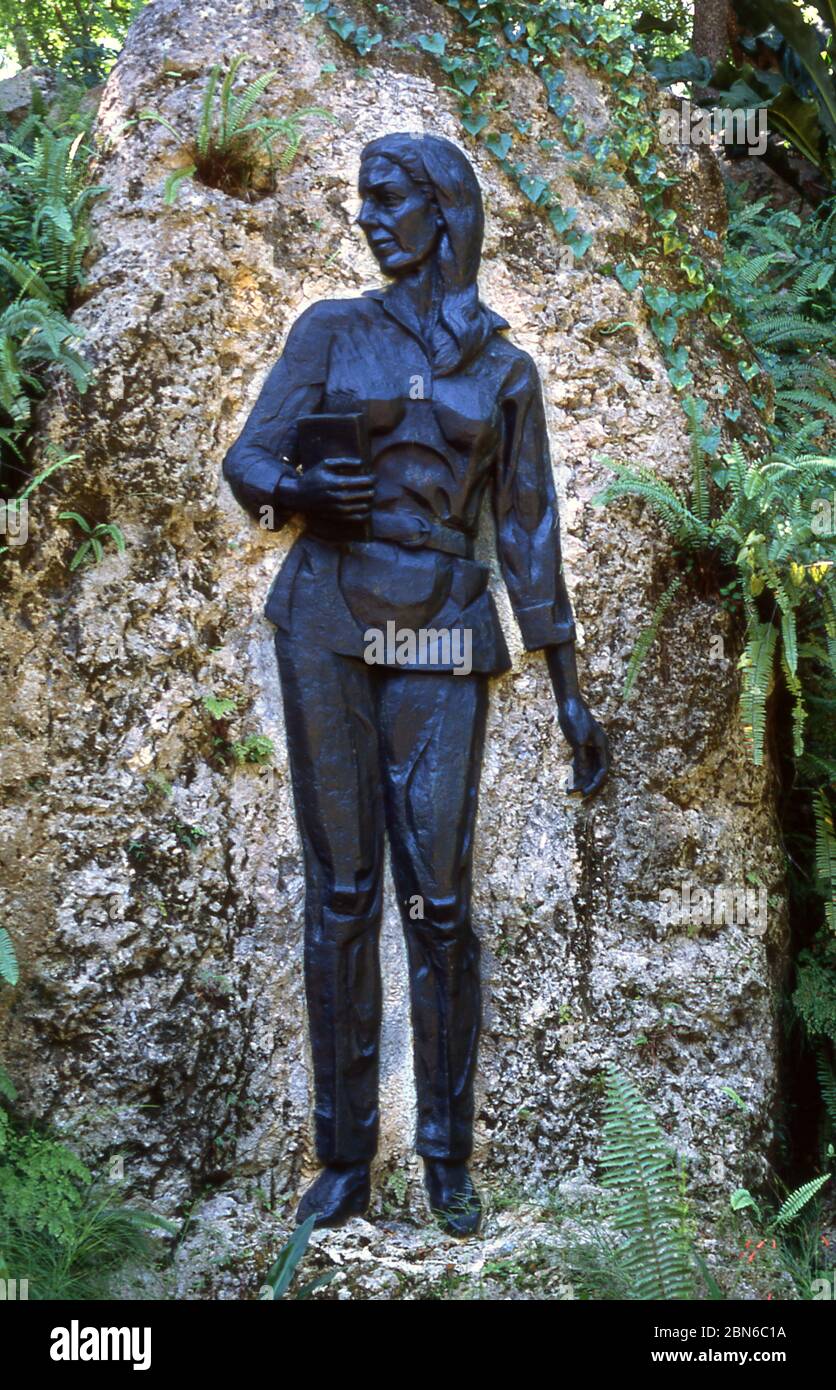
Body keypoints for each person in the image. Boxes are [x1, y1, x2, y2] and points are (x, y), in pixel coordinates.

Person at [223, 131, 609, 1236]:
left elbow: (528, 531)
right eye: (360, 201)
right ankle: (342, 1157)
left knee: (438, 904)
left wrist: (567, 684)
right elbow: (247, 457)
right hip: (327, 619)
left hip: (443, 630)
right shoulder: (330, 330)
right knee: (340, 894)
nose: (366, 218)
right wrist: (302, 488)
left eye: (386, 199)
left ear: (444, 210)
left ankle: (447, 1153)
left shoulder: (503, 367)